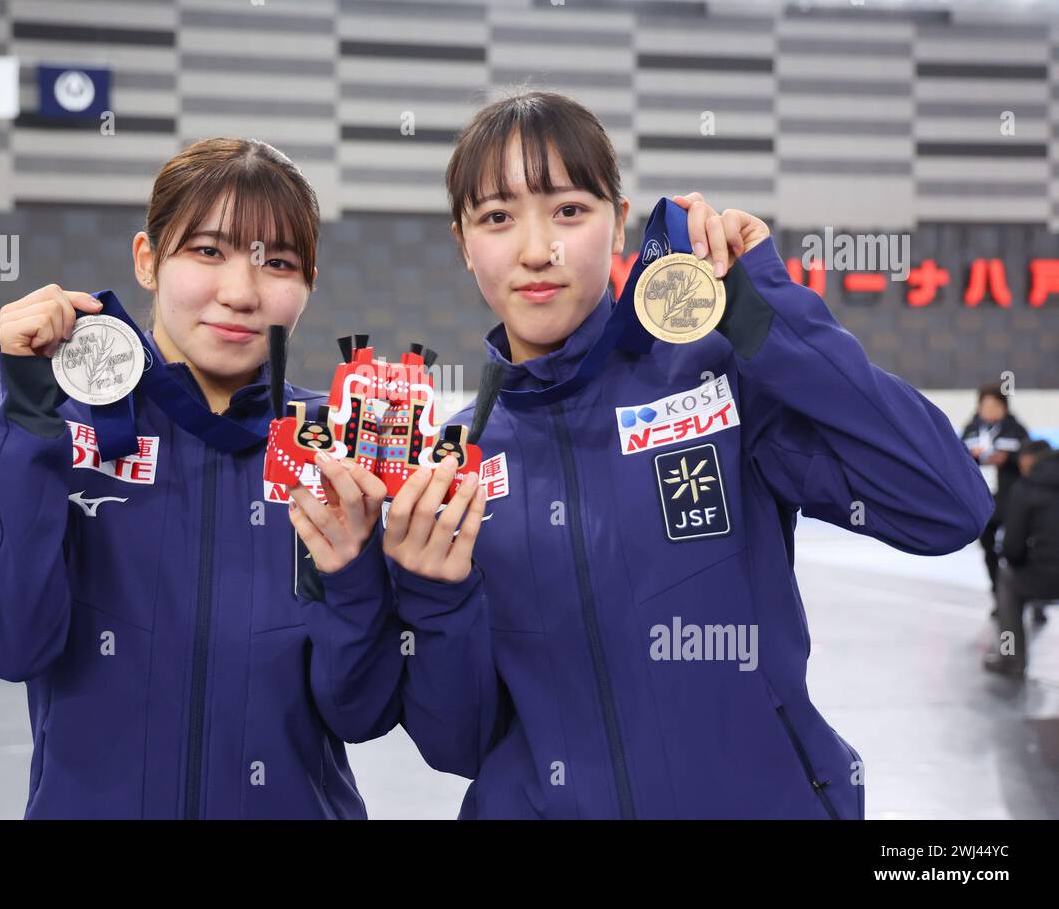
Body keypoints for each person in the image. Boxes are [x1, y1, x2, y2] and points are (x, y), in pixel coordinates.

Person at [383, 90, 994, 818]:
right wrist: (434, 596)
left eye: (569, 210)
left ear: (619, 223)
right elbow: (458, 742)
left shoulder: (717, 382)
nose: (535, 249)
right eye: (497, 217)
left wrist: (764, 311)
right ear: (463, 244)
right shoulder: (454, 464)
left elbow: (948, 505)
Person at [0, 138, 401, 818]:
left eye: (277, 262)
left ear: (307, 286)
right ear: (147, 261)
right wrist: (25, 421)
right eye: (208, 251)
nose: (240, 292)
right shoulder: (54, 420)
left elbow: (361, 708)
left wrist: (356, 574)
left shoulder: (336, 448)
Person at [984, 441, 1059, 677]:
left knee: (1006, 580)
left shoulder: (1025, 487)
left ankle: (1010, 658)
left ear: (1027, 460)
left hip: (1043, 575)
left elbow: (1012, 547)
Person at [961, 382, 1029, 609]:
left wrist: (1007, 459)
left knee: (1015, 549)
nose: (989, 410)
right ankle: (999, 597)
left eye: (994, 405)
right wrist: (971, 457)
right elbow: (956, 460)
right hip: (983, 502)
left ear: (1004, 407)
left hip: (1011, 501)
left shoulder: (1016, 430)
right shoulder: (970, 430)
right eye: (985, 405)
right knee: (989, 550)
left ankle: (1028, 597)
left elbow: (1029, 461)